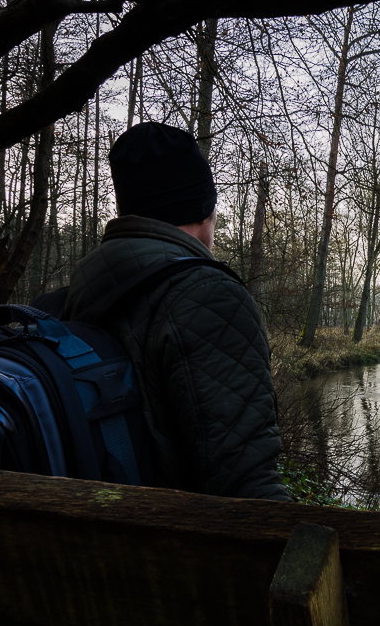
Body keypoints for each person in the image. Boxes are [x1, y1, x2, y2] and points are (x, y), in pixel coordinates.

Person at [65, 122, 290, 501]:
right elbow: (248, 486)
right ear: (204, 212)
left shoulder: (83, 289)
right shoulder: (210, 296)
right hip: (169, 546)